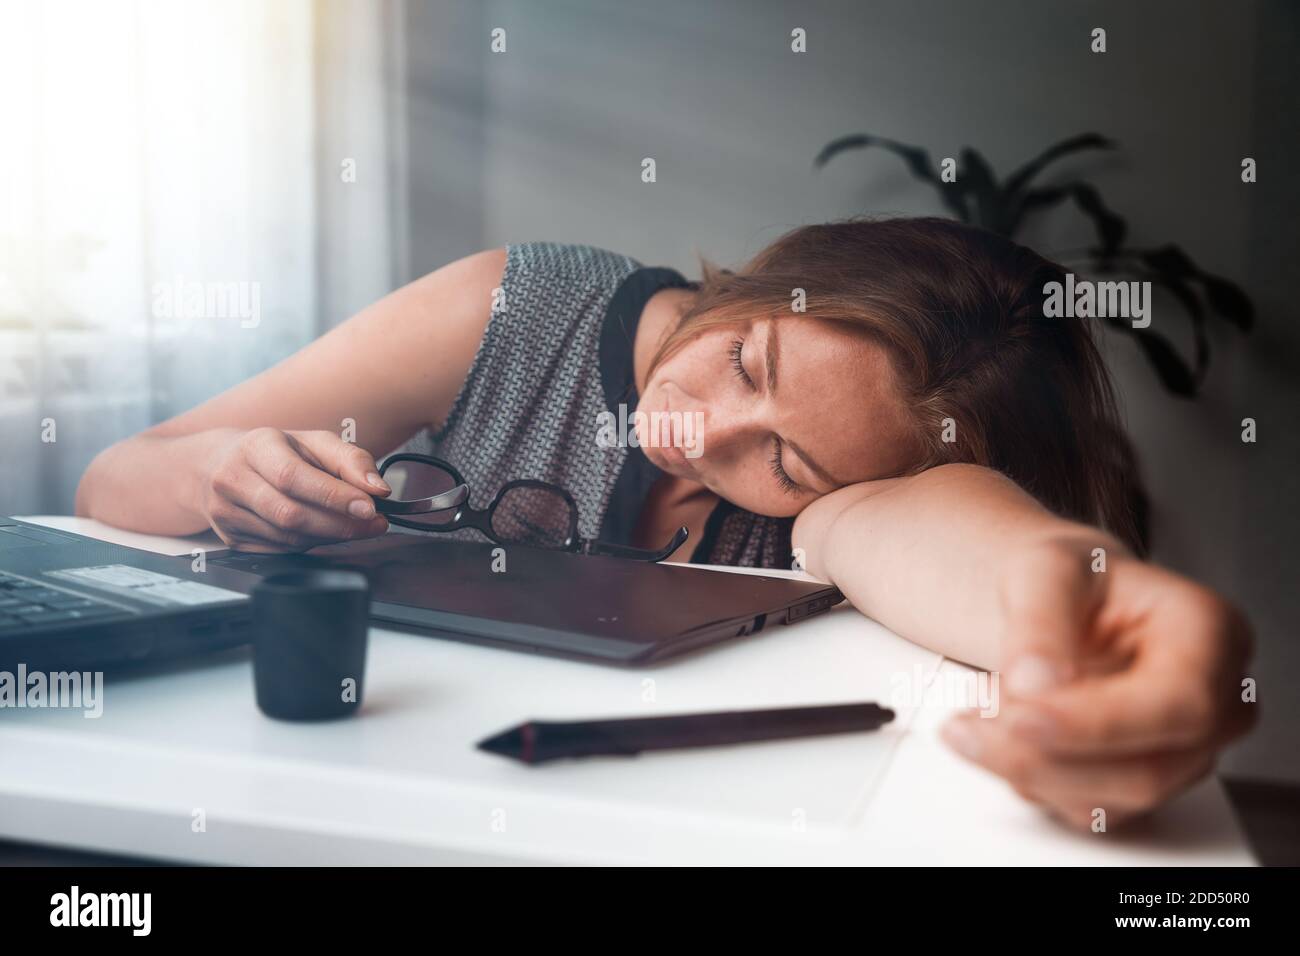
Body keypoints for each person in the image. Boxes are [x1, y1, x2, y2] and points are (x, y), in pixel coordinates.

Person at [76, 217, 1255, 828]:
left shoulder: (854, 494)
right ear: (758, 281)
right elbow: (117, 478)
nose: (707, 430)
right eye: (745, 358)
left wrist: (1077, 586)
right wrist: (226, 472)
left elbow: (964, 543)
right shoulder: (513, 307)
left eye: (785, 459)